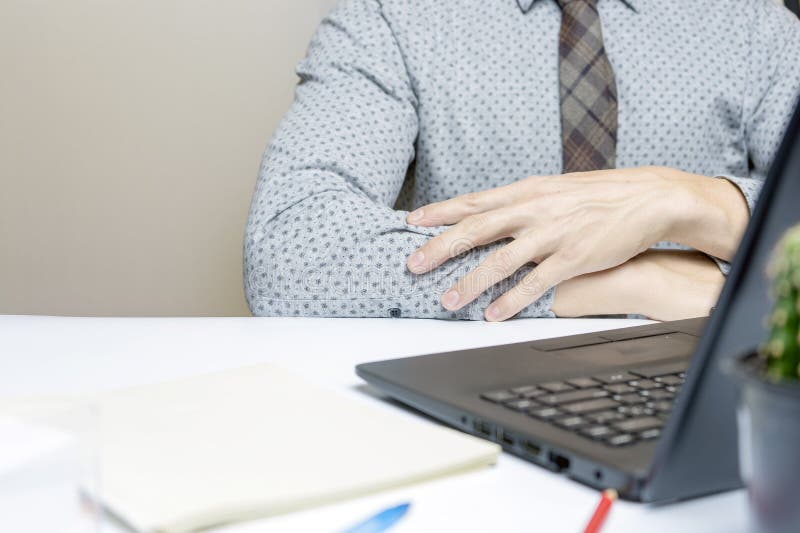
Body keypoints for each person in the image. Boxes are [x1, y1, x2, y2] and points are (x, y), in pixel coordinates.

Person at [244, 0, 800, 321]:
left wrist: (698, 203)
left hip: (722, 375)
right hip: (473, 382)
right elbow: (288, 252)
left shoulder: (752, 22)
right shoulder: (394, 14)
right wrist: (633, 278)